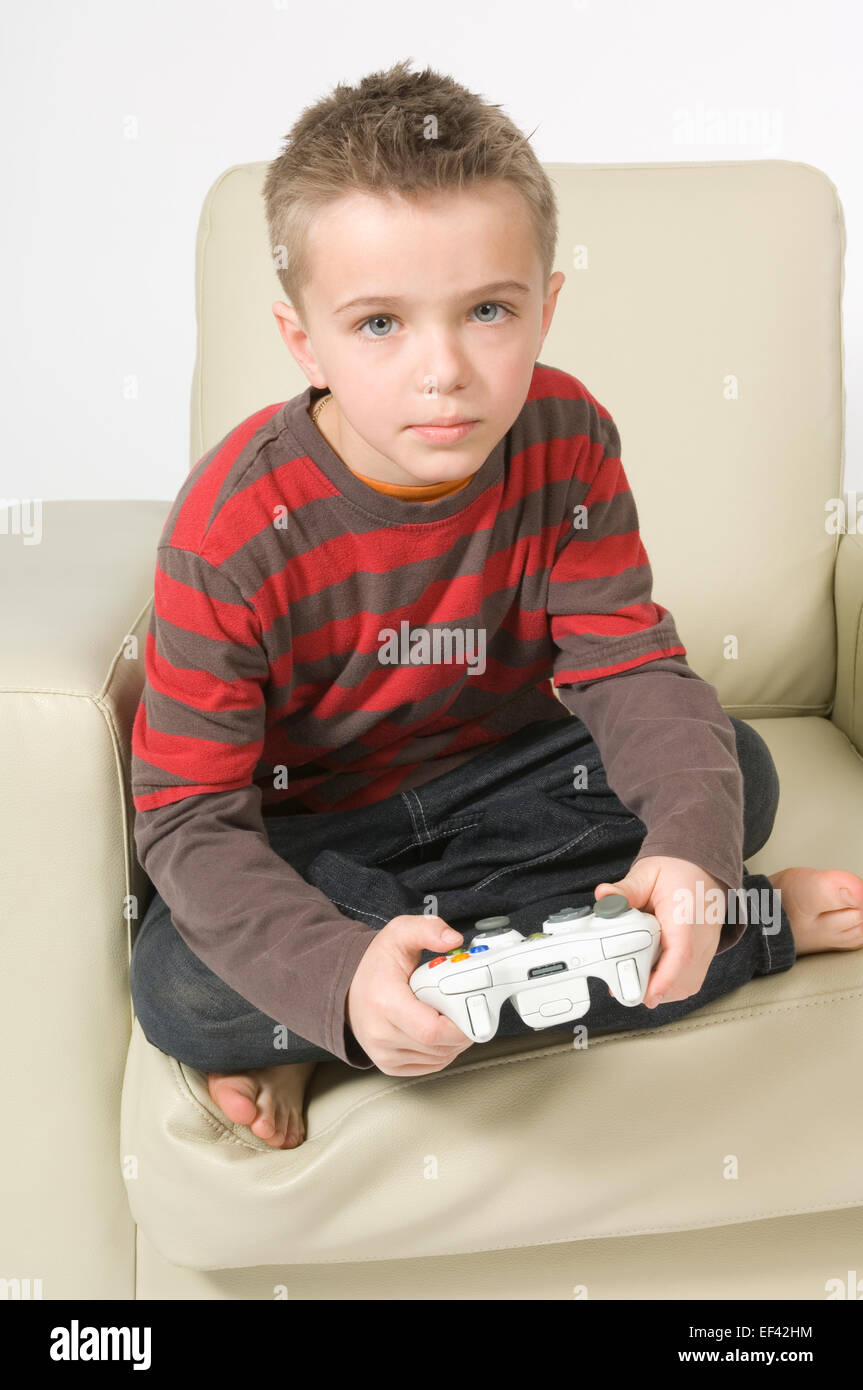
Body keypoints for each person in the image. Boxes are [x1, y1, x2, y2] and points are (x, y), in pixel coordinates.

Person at [129, 59, 863, 1151]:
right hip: (319, 836)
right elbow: (189, 821)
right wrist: (328, 966)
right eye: (379, 323)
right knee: (183, 992)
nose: (444, 372)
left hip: (505, 790)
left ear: (543, 307)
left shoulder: (565, 436)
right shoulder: (231, 525)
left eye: (485, 310)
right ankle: (735, 933)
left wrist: (692, 854)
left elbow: (628, 667)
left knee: (730, 780)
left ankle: (363, 1004)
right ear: (304, 341)